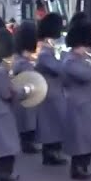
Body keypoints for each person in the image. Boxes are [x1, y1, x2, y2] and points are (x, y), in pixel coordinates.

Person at [60, 16, 91, 180]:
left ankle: (84, 166)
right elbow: (86, 75)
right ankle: (77, 168)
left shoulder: (82, 58)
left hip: (87, 103)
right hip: (77, 104)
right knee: (80, 141)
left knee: (89, 140)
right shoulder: (70, 61)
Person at [0, 28, 26, 181]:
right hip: (1, 113)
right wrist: (24, 91)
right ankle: (4, 173)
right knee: (6, 146)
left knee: (6, 145)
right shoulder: (0, 72)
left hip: (0, 112)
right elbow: (7, 94)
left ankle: (5, 172)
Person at [34, 13, 70, 167]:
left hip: (54, 91)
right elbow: (59, 68)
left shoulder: (49, 50)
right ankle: (50, 154)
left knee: (55, 124)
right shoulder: (44, 53)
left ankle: (54, 152)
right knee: (50, 125)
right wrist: (64, 56)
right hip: (49, 94)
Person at [11, 22, 42, 154]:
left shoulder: (19, 58)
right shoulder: (21, 61)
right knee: (26, 116)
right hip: (23, 93)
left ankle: (27, 139)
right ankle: (26, 141)